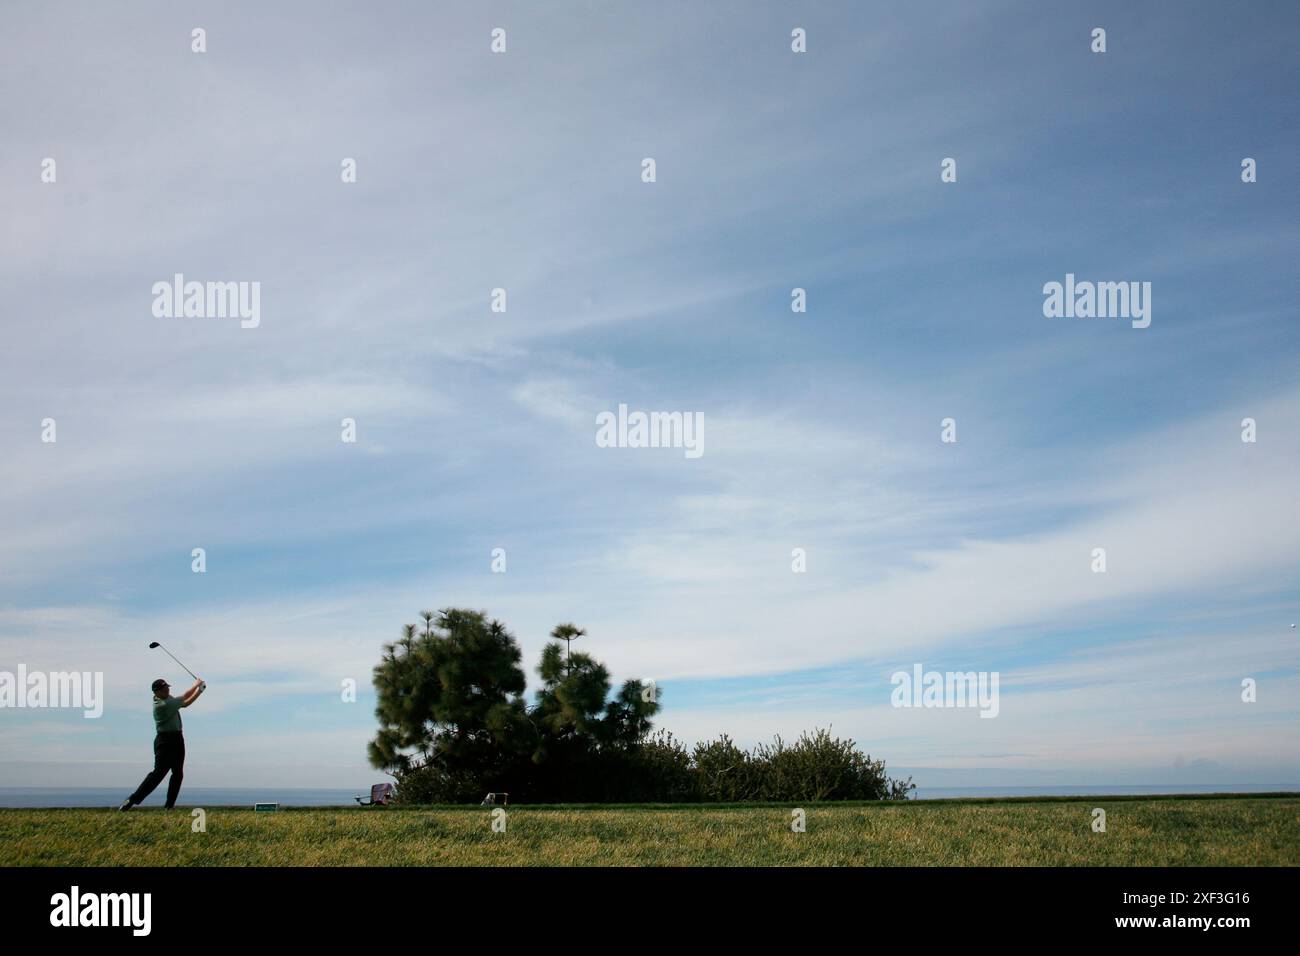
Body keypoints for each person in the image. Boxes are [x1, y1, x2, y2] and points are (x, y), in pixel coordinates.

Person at [118, 676, 206, 810]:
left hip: (177, 738)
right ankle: (131, 800)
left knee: (178, 773)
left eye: (167, 688)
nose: (167, 691)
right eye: (164, 689)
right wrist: (196, 685)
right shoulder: (162, 705)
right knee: (158, 774)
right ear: (156, 692)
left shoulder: (168, 699)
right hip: (164, 741)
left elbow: (185, 703)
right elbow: (184, 697)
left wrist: (199, 691)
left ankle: (169, 807)